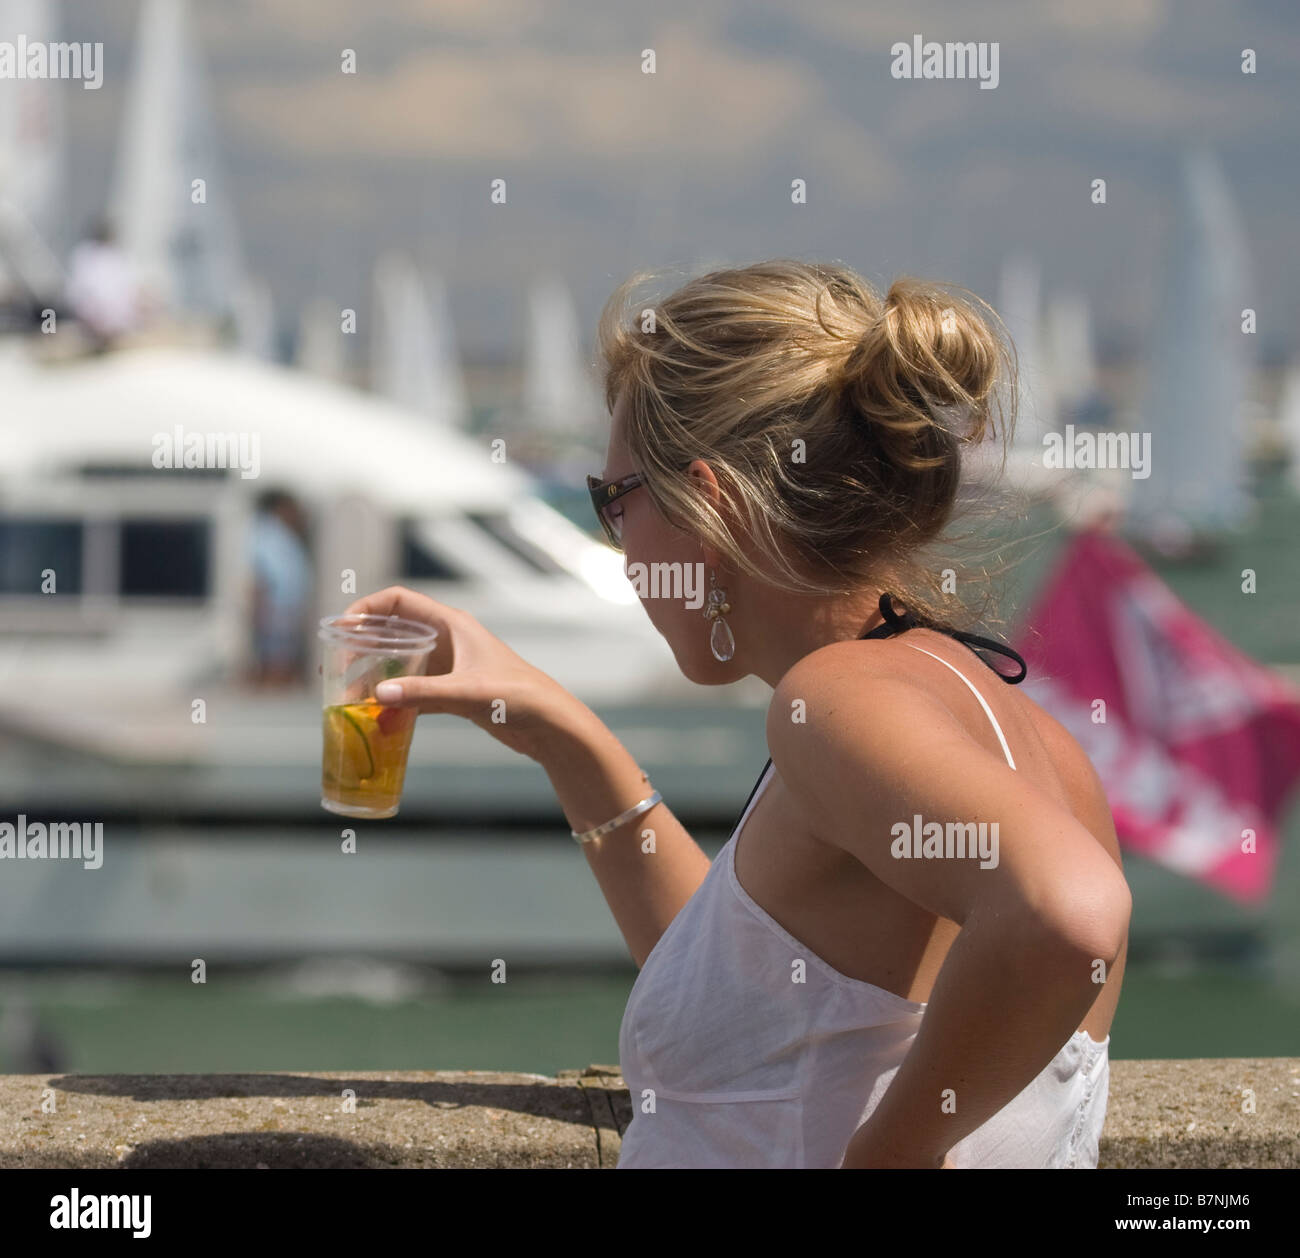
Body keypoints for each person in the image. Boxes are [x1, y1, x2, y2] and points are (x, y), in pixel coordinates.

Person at [345, 260, 1131, 1168]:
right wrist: (566, 738)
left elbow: (1068, 918)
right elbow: (752, 1007)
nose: (618, 541)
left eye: (614, 502)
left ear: (709, 506)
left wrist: (888, 1159)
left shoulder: (835, 700)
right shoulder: (1020, 733)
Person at [247, 489, 313, 687]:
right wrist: (260, 614)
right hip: (275, 616)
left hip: (285, 615)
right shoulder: (267, 535)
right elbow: (260, 577)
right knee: (274, 667)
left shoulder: (285, 537)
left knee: (282, 665)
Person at [64, 218, 142, 351]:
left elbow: (127, 294)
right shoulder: (86, 255)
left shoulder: (118, 257)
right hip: (93, 321)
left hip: (114, 322)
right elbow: (80, 293)